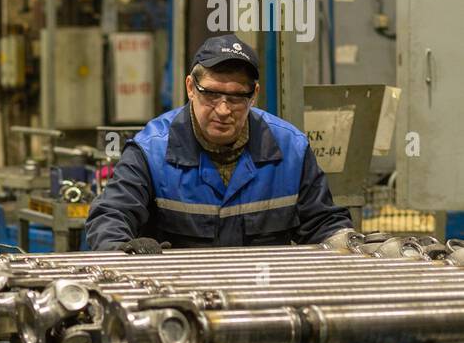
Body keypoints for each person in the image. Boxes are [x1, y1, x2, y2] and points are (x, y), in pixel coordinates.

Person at [85, 34, 352, 252]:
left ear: (254, 95)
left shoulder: (291, 149)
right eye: (211, 94)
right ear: (190, 87)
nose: (224, 110)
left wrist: (346, 242)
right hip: (177, 301)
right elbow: (111, 215)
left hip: (263, 300)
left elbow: (324, 223)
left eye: (236, 97)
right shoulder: (151, 151)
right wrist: (122, 249)